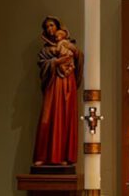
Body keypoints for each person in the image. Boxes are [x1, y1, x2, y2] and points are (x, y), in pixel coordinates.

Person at [33, 16, 80, 167]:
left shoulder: (69, 44)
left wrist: (72, 50)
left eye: (52, 25)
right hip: (53, 85)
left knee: (65, 118)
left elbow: (79, 58)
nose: (49, 29)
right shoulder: (45, 50)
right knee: (47, 118)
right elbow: (43, 65)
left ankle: (63, 157)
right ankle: (43, 156)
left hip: (67, 83)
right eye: (47, 27)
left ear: (59, 27)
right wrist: (55, 62)